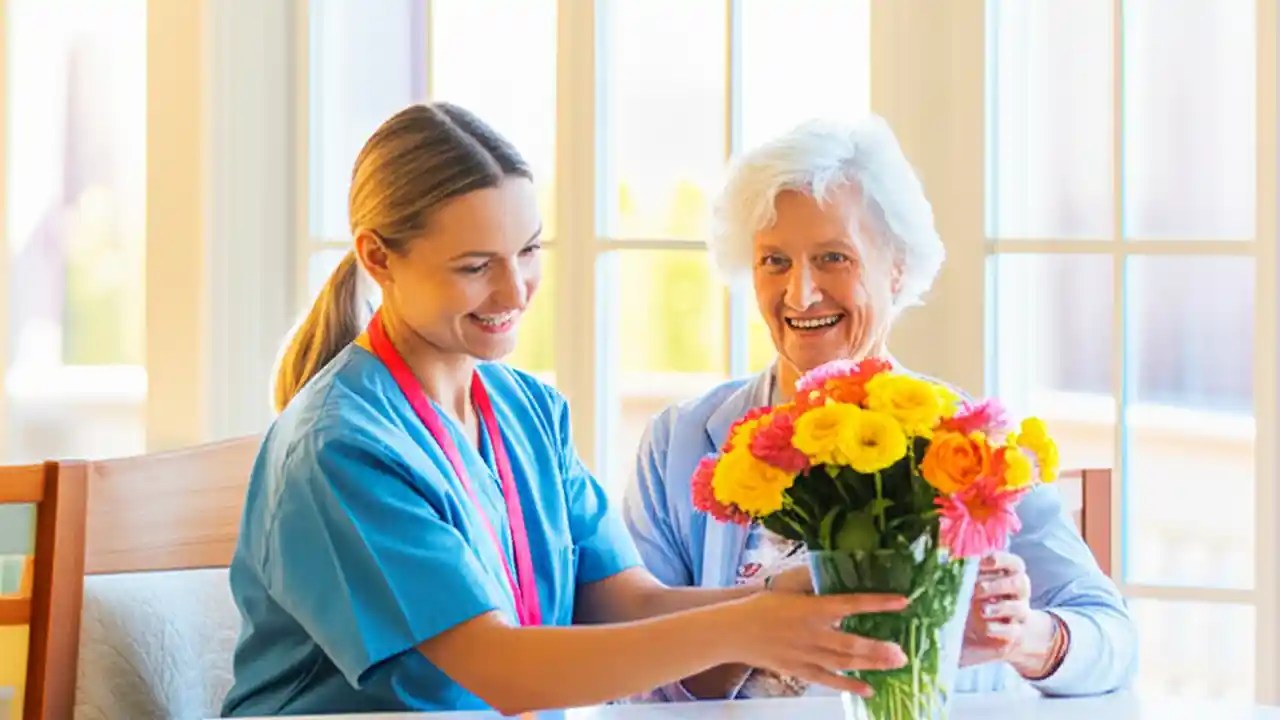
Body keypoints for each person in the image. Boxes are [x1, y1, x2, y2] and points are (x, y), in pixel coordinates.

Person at [219, 103, 918, 716]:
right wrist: (749, 627)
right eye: (474, 266)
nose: (515, 289)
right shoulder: (340, 445)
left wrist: (790, 597)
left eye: (527, 251)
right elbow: (502, 670)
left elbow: (629, 603)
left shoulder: (528, 413)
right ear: (378, 257)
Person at [622, 116, 1138, 702]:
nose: (800, 294)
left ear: (896, 267)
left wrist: (1021, 635)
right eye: (775, 261)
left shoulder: (969, 442)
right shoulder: (681, 440)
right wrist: (761, 624)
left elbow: (1113, 640)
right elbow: (624, 665)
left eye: (833, 258)